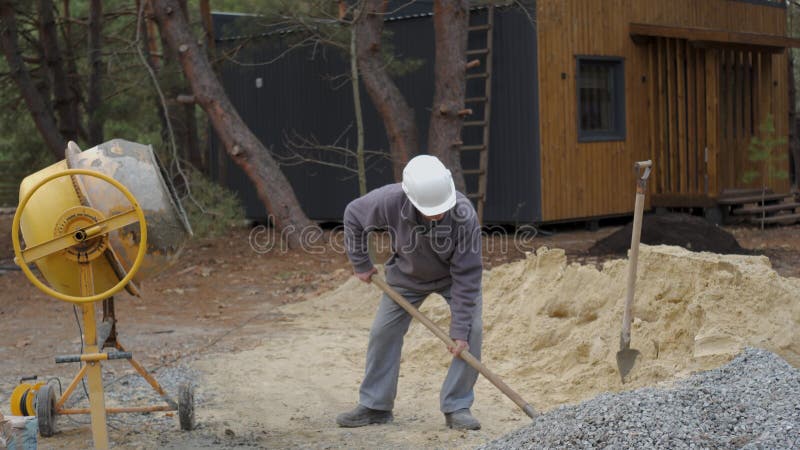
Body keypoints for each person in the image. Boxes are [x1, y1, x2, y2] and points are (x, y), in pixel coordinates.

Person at [337, 154, 483, 430]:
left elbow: (467, 275)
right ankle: (375, 405)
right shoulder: (390, 200)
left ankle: (458, 405)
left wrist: (460, 331)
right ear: (411, 198)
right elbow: (353, 215)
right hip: (405, 276)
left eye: (442, 208)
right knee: (383, 332)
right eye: (432, 209)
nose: (438, 213)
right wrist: (361, 263)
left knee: (472, 332)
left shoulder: (464, 215)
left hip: (454, 279)